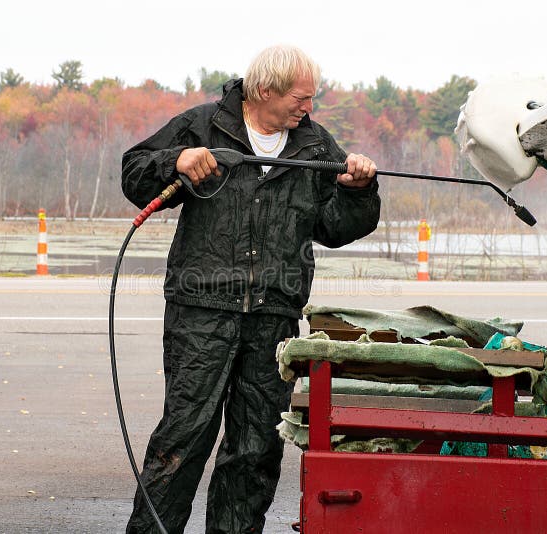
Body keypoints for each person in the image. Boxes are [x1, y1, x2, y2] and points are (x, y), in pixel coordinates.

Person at [121, 44, 381, 533]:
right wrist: (177, 160)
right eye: (301, 99)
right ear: (265, 90)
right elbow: (134, 171)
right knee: (183, 439)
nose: (309, 109)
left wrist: (358, 190)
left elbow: (336, 228)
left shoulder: (316, 146)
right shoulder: (203, 127)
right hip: (201, 313)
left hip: (273, 321)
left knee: (254, 450)